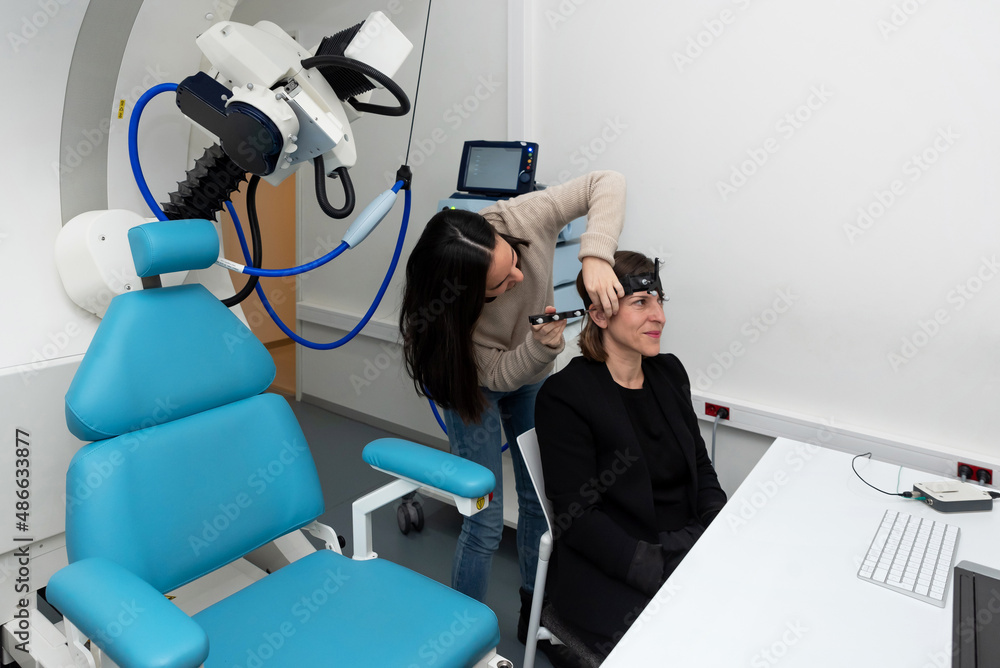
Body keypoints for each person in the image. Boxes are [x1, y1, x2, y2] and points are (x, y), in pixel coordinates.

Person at [399, 171, 628, 650]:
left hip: (529, 373)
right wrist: (541, 348)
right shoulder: (447, 324)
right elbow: (498, 376)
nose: (521, 278)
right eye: (503, 283)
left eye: (513, 259)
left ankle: (535, 613)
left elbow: (606, 181)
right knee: (483, 518)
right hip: (472, 386)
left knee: (539, 505)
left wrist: (595, 255)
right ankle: (462, 635)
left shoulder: (523, 216)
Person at [534, 251, 728, 659]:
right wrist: (658, 566)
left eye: (659, 300)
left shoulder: (669, 373)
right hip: (617, 563)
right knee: (690, 646)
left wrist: (716, 528)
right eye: (641, 302)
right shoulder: (566, 397)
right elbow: (578, 518)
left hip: (683, 541)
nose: (658, 315)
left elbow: (699, 465)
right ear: (600, 316)